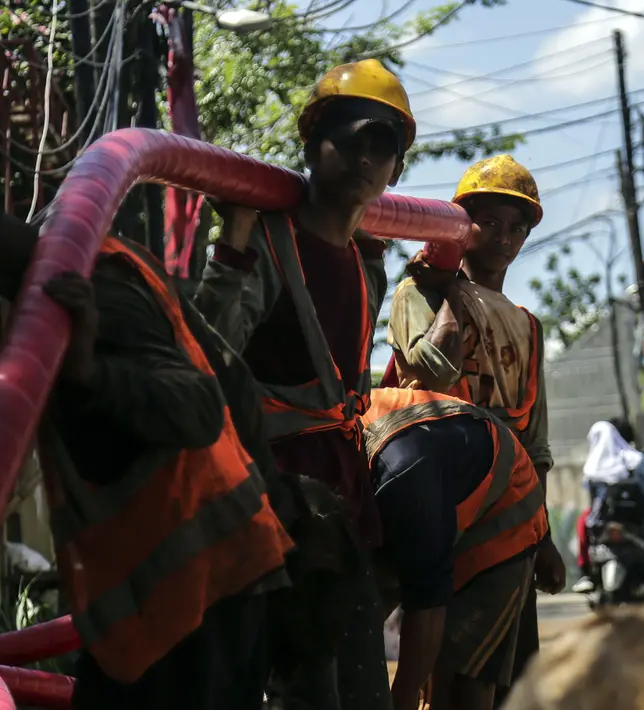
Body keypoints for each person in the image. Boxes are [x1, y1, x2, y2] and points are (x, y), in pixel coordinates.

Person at [0, 149, 297, 710]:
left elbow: (200, 408)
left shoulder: (86, 290)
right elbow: (232, 385)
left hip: (198, 607)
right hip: (179, 608)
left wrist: (91, 376)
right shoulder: (72, 277)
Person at [194, 58, 416, 710]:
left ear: (395, 170)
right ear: (312, 145)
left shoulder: (362, 261)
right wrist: (230, 242)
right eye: (346, 137)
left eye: (381, 146)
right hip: (272, 509)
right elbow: (209, 353)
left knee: (358, 689)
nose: (362, 157)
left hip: (341, 507)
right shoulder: (266, 242)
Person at [383, 154, 566, 704]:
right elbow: (427, 370)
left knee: (493, 685)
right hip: (441, 494)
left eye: (518, 226)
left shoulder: (527, 326)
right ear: (460, 221)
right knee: (446, 677)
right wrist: (448, 285)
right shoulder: (421, 291)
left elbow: (534, 442)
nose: (504, 237)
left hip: (509, 512)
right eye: (488, 221)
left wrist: (546, 537)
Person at [361, 387, 548, 710]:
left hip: (501, 510)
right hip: (436, 477)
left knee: (464, 674)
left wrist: (402, 696)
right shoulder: (329, 435)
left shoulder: (403, 480)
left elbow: (427, 603)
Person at [572, 418, 644, 594]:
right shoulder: (633, 459)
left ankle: (586, 573)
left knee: (583, 522)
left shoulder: (591, 467)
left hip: (602, 520)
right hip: (631, 518)